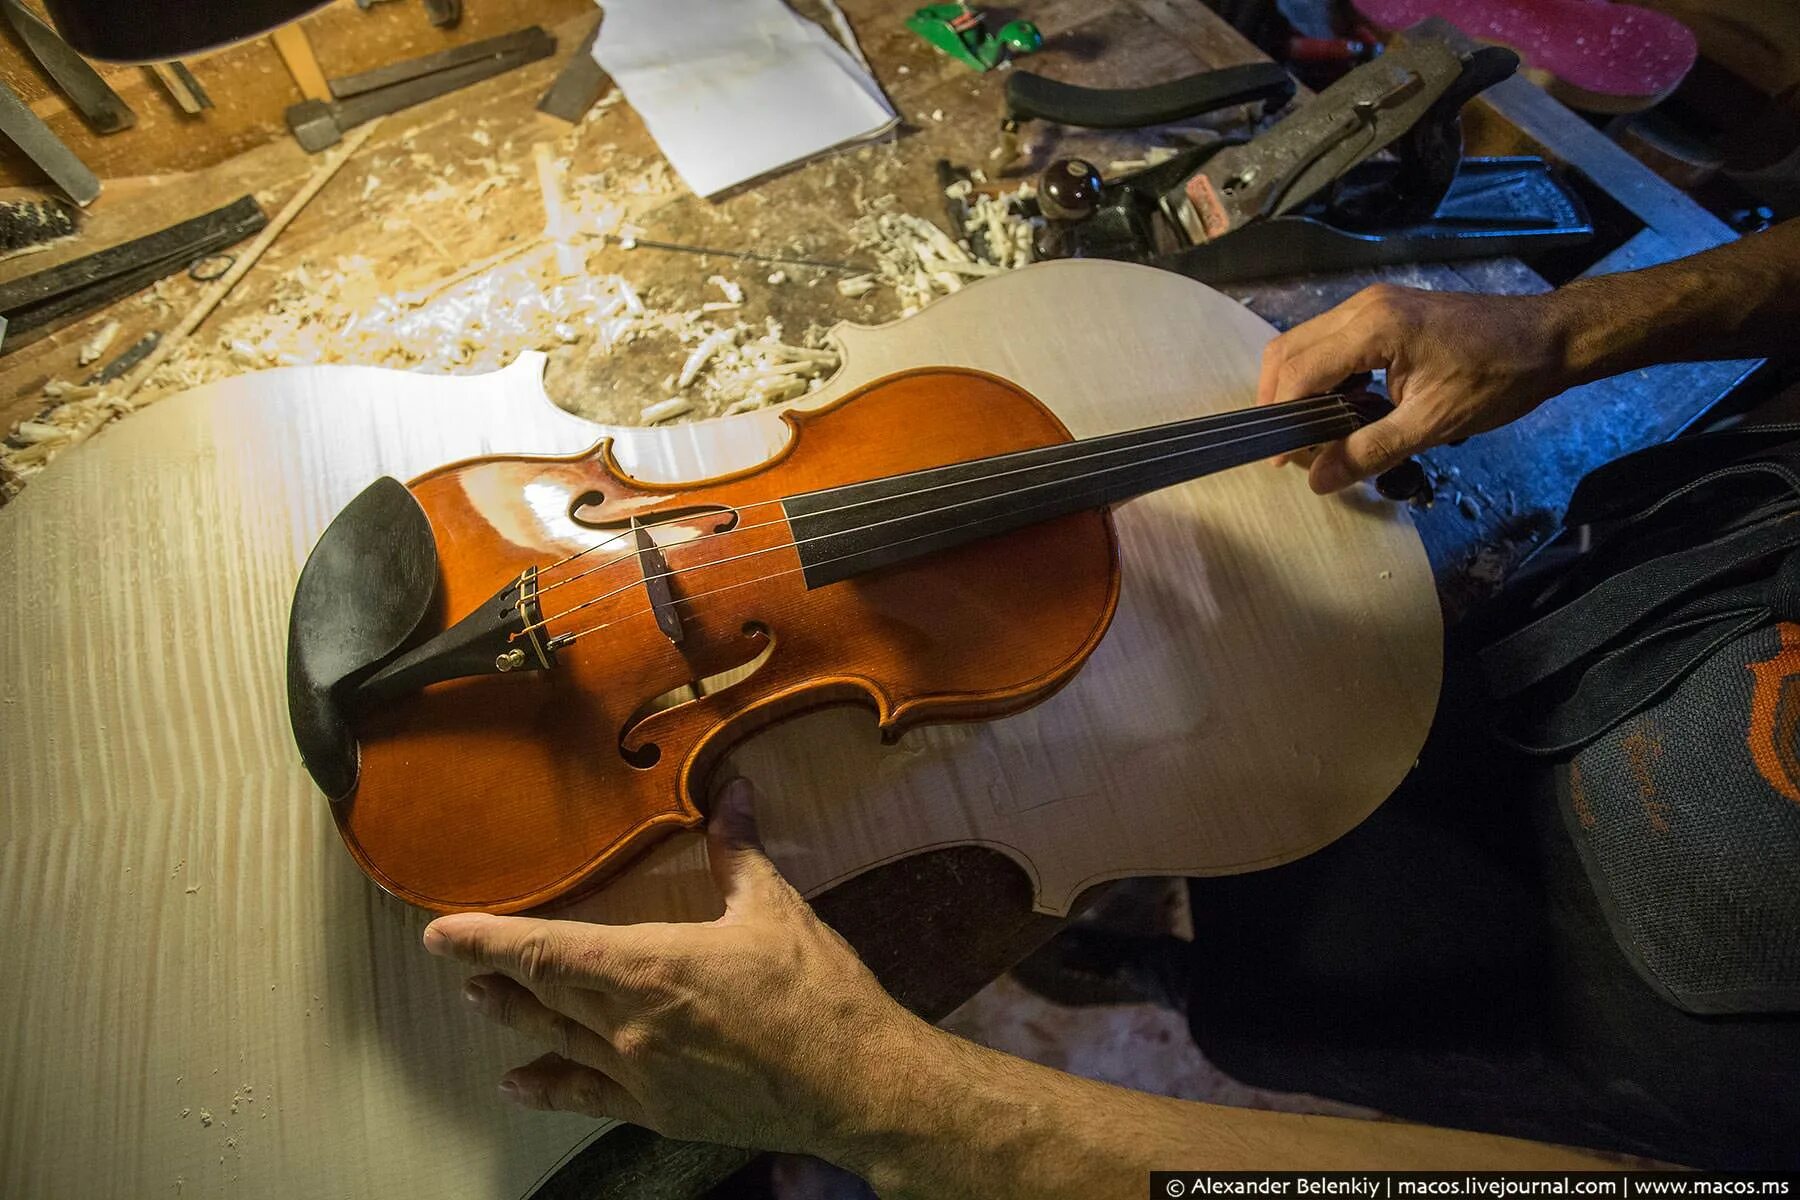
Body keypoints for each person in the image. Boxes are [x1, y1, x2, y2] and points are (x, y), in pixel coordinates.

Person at [422, 220, 1800, 1192]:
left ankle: (1179, 990)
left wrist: (879, 1099)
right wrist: (1570, 322)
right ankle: (1186, 951)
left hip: (1672, 1028)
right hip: (1649, 593)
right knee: (1286, 805)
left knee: (1315, 1005)